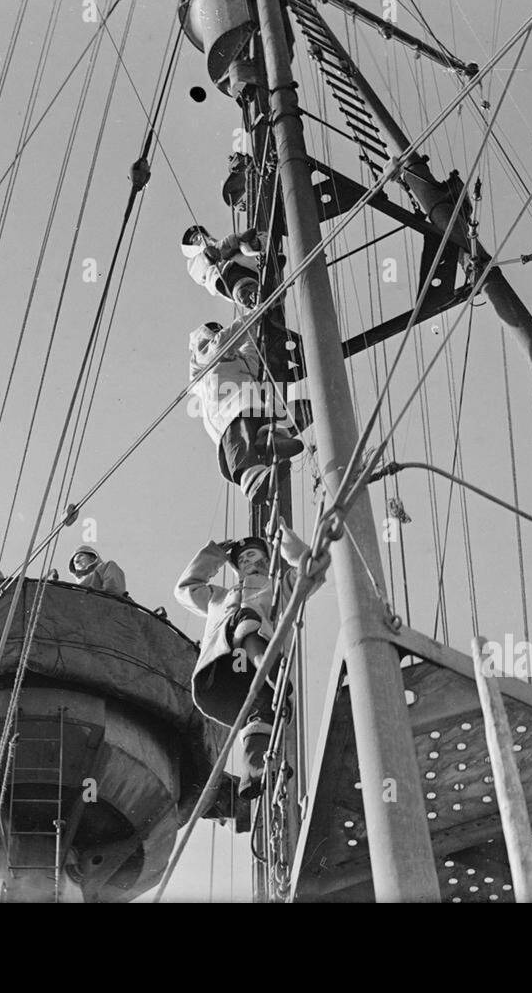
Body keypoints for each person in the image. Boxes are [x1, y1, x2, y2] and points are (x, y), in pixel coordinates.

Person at [174, 526, 311, 800]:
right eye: (243, 559)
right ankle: (269, 669)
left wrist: (285, 541)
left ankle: (256, 770)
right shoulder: (219, 597)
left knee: (260, 715)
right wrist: (213, 555)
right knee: (246, 617)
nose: (249, 562)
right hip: (223, 668)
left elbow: (312, 567)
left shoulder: (279, 588)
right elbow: (185, 589)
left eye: (254, 555)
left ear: (267, 559)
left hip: (242, 685)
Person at [188, 320, 306, 506]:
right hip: (226, 406)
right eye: (214, 330)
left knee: (302, 410)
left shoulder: (238, 357)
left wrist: (256, 328)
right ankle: (251, 478)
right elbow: (221, 342)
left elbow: (252, 357)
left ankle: (270, 437)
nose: (218, 331)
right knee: (240, 428)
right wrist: (255, 315)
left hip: (252, 403)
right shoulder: (201, 357)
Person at [181, 225, 265, 309]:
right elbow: (200, 270)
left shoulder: (219, 245)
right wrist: (206, 256)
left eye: (201, 235)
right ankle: (249, 295)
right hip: (226, 277)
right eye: (196, 239)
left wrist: (252, 243)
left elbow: (226, 244)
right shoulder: (194, 263)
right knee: (239, 287)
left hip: (253, 269)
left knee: (248, 246)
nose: (201, 238)